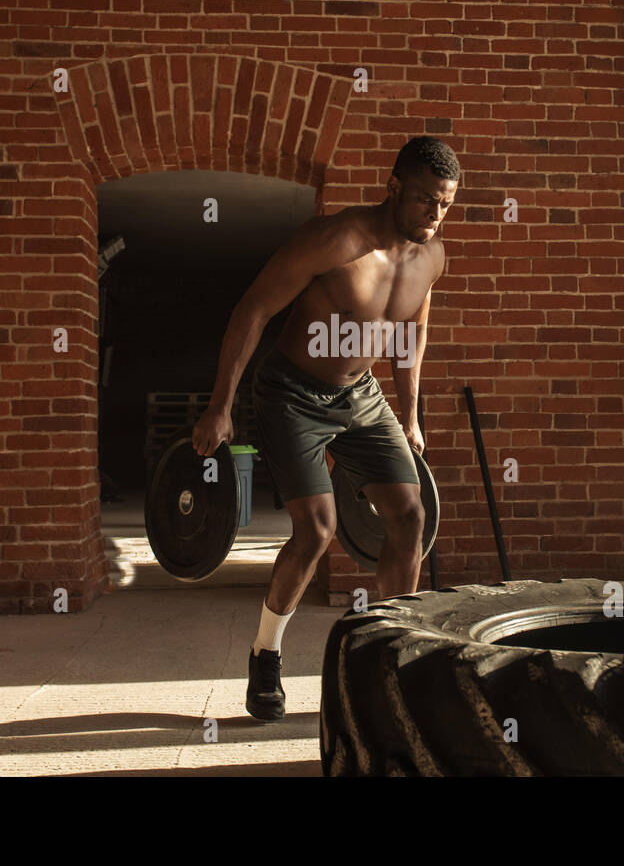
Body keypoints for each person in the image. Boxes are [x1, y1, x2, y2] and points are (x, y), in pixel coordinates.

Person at [191, 135, 459, 721]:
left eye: (445, 204)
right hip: (291, 392)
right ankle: (266, 653)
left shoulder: (431, 256)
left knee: (411, 516)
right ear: (393, 189)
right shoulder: (335, 240)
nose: (435, 216)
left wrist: (410, 416)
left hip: (360, 394)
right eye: (424, 201)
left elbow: (411, 336)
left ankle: (389, 658)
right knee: (317, 530)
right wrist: (220, 406)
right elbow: (254, 308)